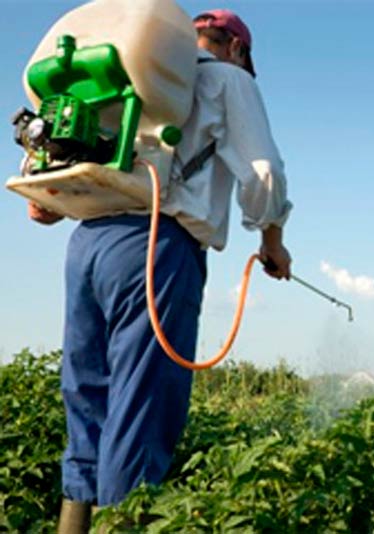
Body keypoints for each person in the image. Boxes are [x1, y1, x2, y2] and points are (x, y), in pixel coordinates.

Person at [27, 9, 293, 533]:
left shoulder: (129, 73)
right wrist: (272, 240)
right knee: (141, 408)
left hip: (88, 245)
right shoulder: (226, 79)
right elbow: (262, 171)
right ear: (238, 49)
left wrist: (50, 199)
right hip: (156, 245)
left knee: (87, 398)